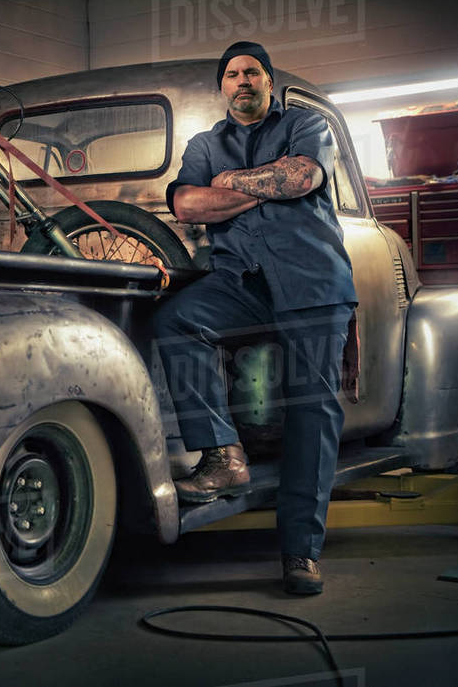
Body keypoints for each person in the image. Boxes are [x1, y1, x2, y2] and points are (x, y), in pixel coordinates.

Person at [153, 41, 357, 595]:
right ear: (222, 86)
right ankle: (224, 455)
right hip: (240, 282)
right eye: (232, 74)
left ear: (268, 81)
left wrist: (228, 184)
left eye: (252, 72)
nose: (242, 80)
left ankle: (300, 553)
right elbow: (186, 205)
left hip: (312, 281)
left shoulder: (305, 124)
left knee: (312, 413)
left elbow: (303, 178)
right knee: (176, 322)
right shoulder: (204, 144)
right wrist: (265, 187)